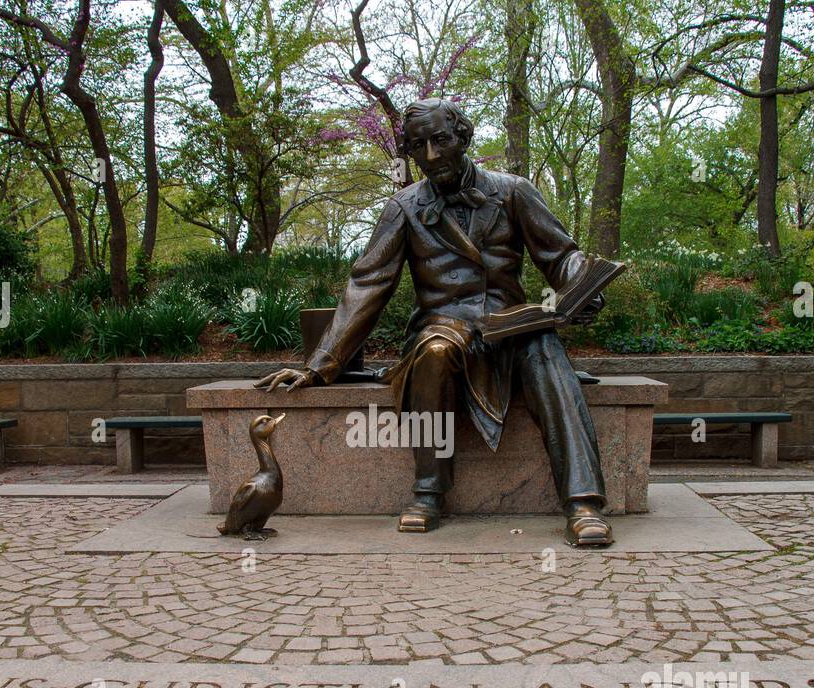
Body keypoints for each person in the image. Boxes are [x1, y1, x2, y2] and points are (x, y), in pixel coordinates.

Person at [256, 97, 612, 547]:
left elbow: (561, 256)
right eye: (418, 145)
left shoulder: (513, 190)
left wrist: (583, 285)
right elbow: (369, 283)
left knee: (545, 351)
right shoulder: (404, 207)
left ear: (462, 138)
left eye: (440, 140)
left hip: (510, 325)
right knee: (434, 352)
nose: (430, 156)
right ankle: (429, 490)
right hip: (444, 325)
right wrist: (319, 364)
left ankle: (583, 503)